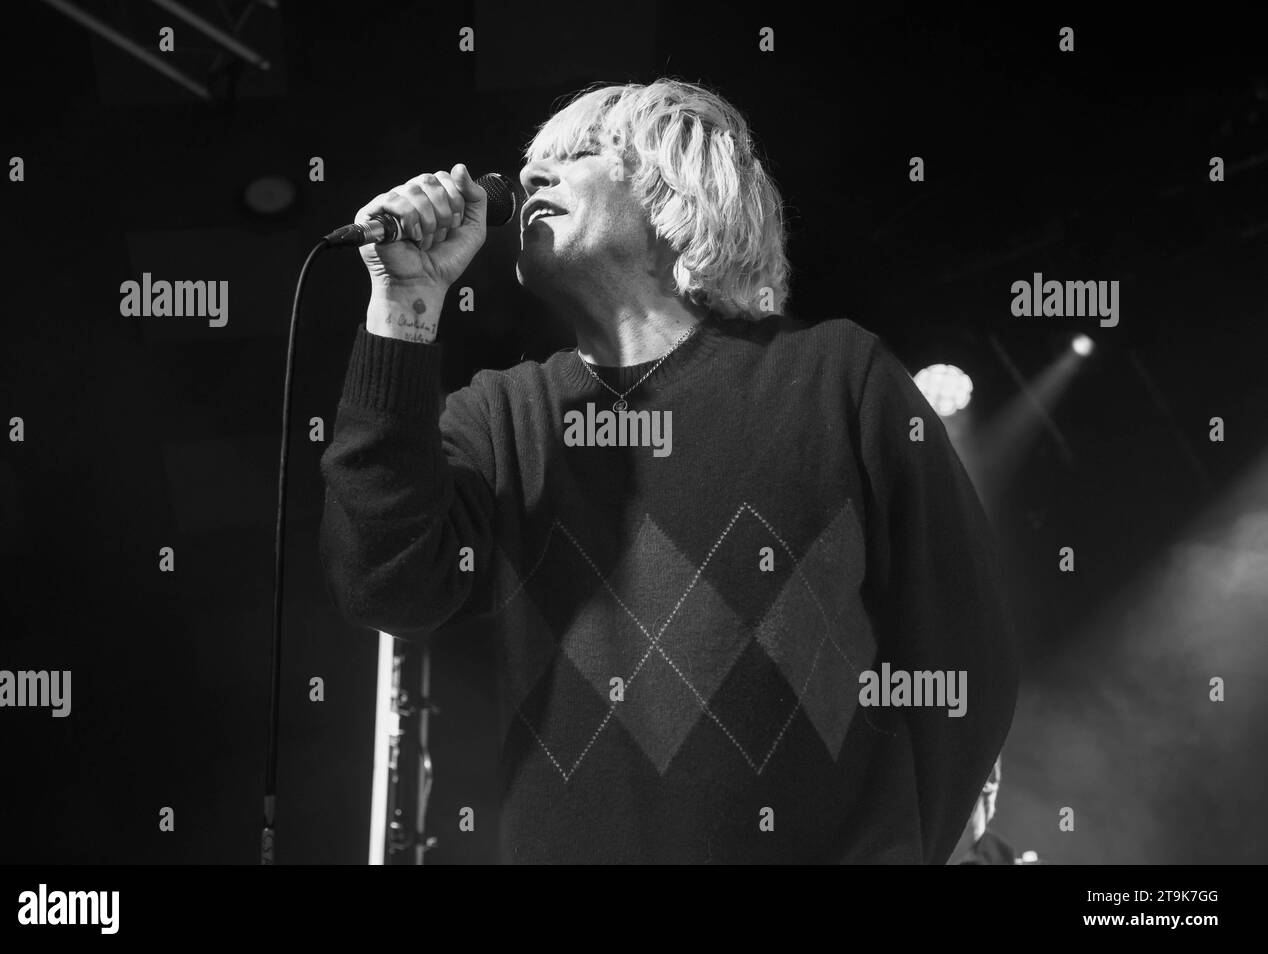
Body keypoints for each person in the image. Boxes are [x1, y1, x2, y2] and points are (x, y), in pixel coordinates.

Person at [319, 79, 1019, 863]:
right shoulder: (502, 416)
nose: (530, 180)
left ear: (680, 187)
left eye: (577, 155)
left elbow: (966, 650)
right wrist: (403, 307)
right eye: (531, 166)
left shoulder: (837, 377)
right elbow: (386, 584)